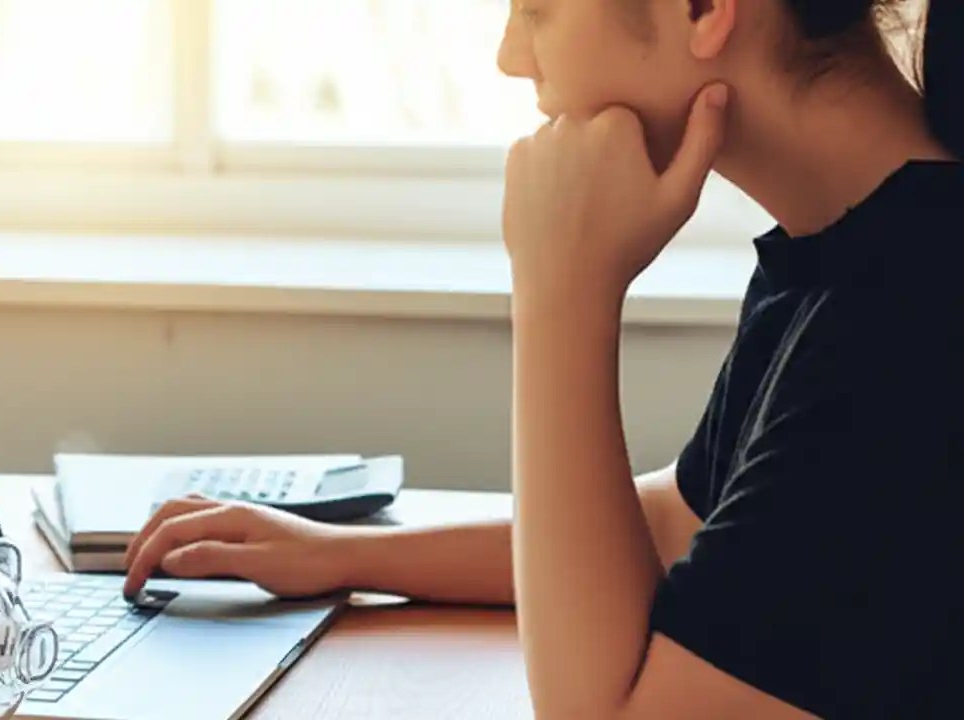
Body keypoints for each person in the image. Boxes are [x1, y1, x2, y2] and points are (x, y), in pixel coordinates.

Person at [126, 0, 964, 716]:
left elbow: (603, 711)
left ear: (704, 8)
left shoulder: (914, 320)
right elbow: (682, 524)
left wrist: (563, 289)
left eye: (539, 10)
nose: (509, 56)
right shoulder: (860, 254)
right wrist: (340, 555)